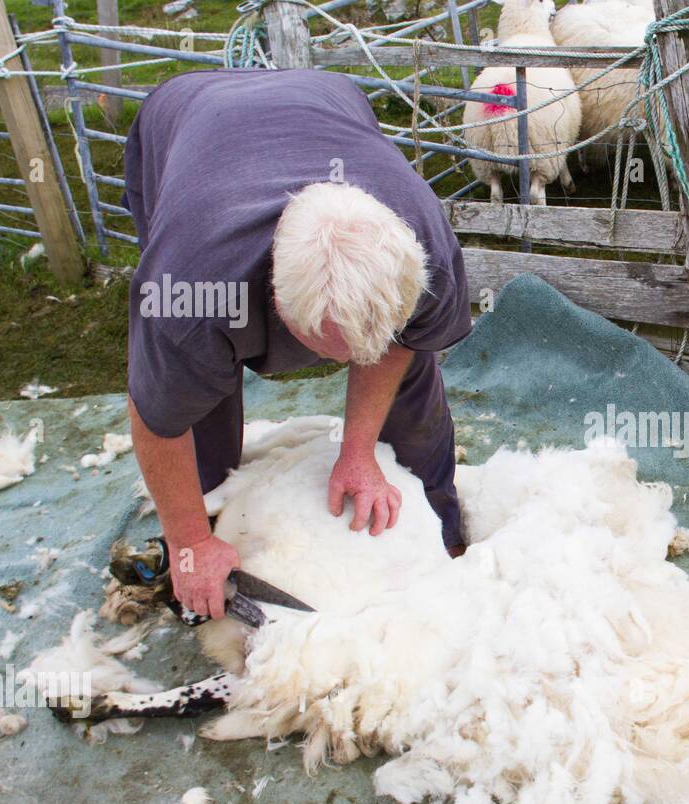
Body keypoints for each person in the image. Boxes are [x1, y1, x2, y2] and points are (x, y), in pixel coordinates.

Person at [122, 68, 472, 621]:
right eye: (332, 348)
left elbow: (404, 341)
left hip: (323, 93)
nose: (351, 364)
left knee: (409, 388)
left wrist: (359, 451)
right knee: (194, 396)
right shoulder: (188, 294)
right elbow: (156, 415)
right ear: (278, 301)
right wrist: (188, 539)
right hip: (186, 116)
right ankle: (211, 533)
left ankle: (442, 536)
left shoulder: (423, 246)